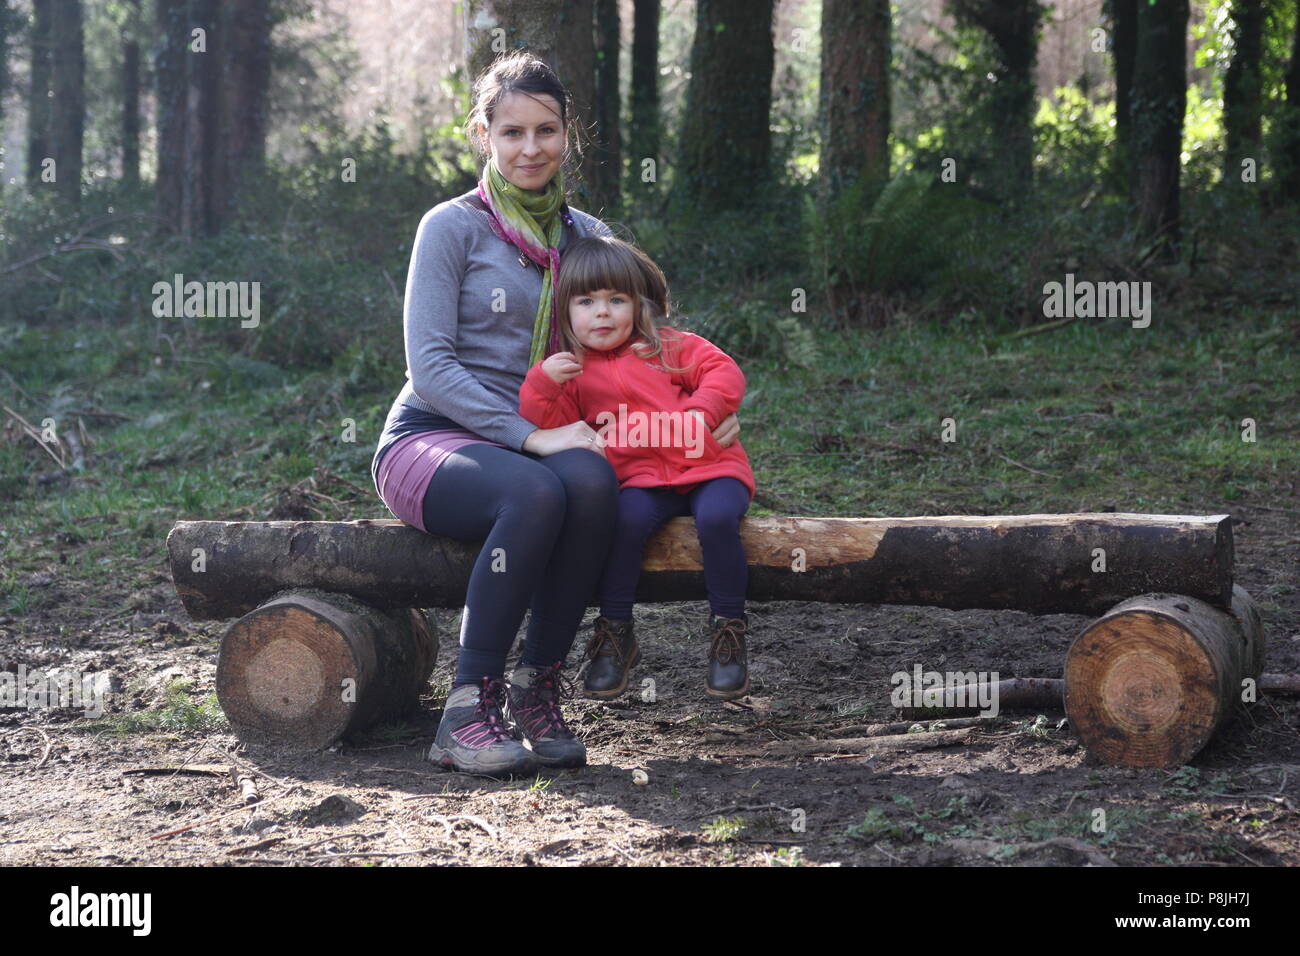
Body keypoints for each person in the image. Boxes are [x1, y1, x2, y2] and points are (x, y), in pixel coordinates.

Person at [370, 52, 744, 777]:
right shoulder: (450, 228)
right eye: (512, 132)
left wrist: (705, 414)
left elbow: (644, 346)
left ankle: (537, 686)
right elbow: (431, 368)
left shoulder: (586, 237)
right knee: (538, 488)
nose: (531, 148)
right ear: (484, 135)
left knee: (594, 483)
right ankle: (465, 709)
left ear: (568, 133)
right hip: (436, 439)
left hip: (547, 434)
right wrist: (533, 435)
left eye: (546, 130)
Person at [519, 236, 756, 702]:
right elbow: (547, 424)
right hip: (642, 480)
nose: (602, 313)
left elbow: (723, 372)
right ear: (564, 311)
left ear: (637, 304)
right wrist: (541, 383)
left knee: (717, 518)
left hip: (712, 467)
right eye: (586, 301)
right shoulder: (571, 369)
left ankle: (728, 634)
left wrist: (701, 414)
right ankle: (615, 635)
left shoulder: (668, 347)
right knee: (622, 523)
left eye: (616, 300)